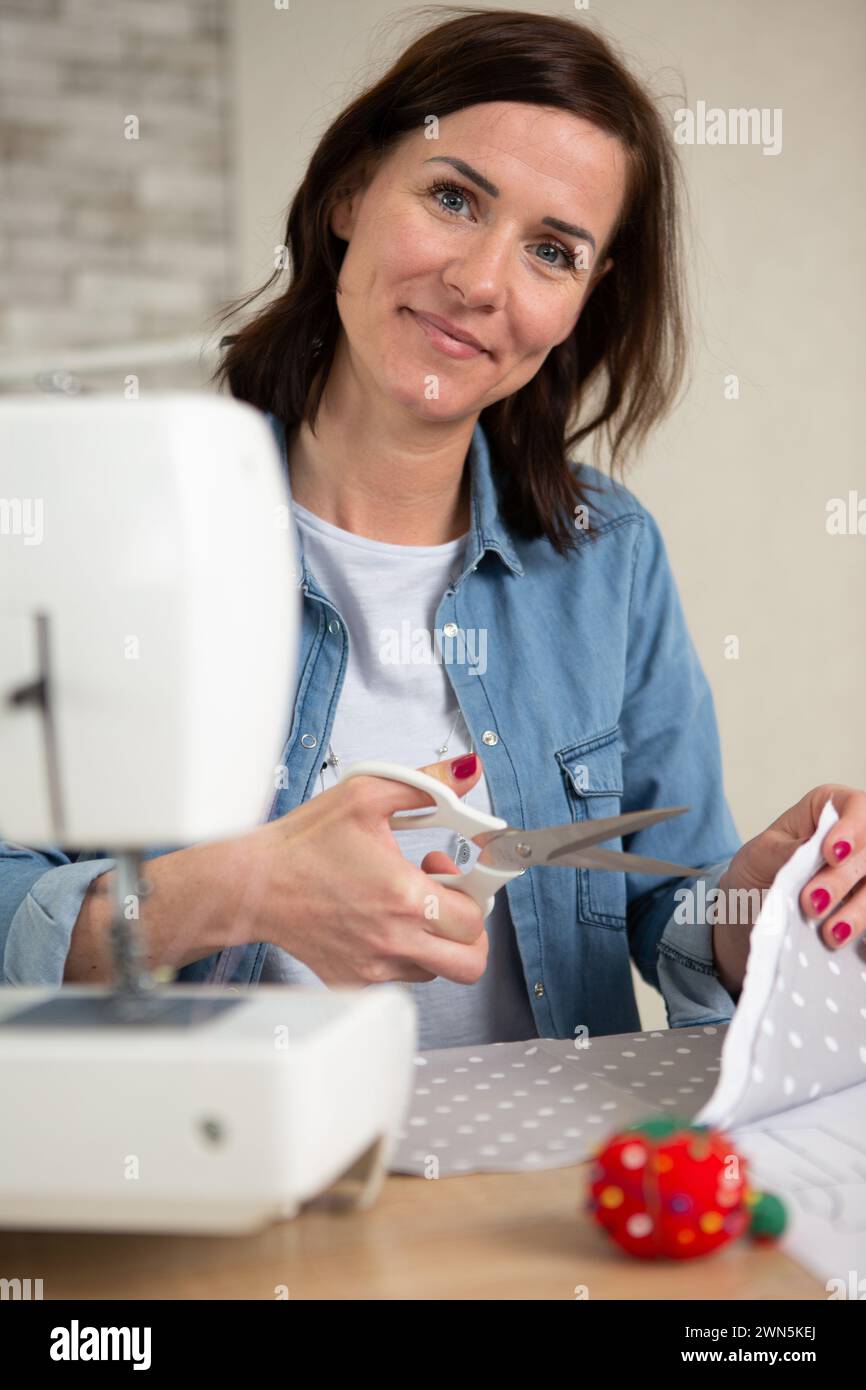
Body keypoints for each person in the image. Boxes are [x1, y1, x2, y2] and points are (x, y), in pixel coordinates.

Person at [2, 10, 863, 1048]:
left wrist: (756, 910)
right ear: (347, 194)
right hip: (219, 1166)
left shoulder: (608, 554)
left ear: (581, 303)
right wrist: (242, 887)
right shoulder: (109, 519)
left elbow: (663, 908)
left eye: (551, 250)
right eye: (453, 198)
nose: (480, 282)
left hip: (526, 1194)